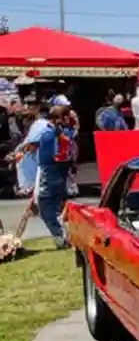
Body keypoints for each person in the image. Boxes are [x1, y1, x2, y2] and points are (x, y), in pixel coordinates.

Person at [28, 106, 76, 248]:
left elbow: (48, 154)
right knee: (53, 204)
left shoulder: (49, 133)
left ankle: (61, 236)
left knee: (46, 205)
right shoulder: (66, 132)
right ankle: (63, 234)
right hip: (59, 171)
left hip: (49, 170)